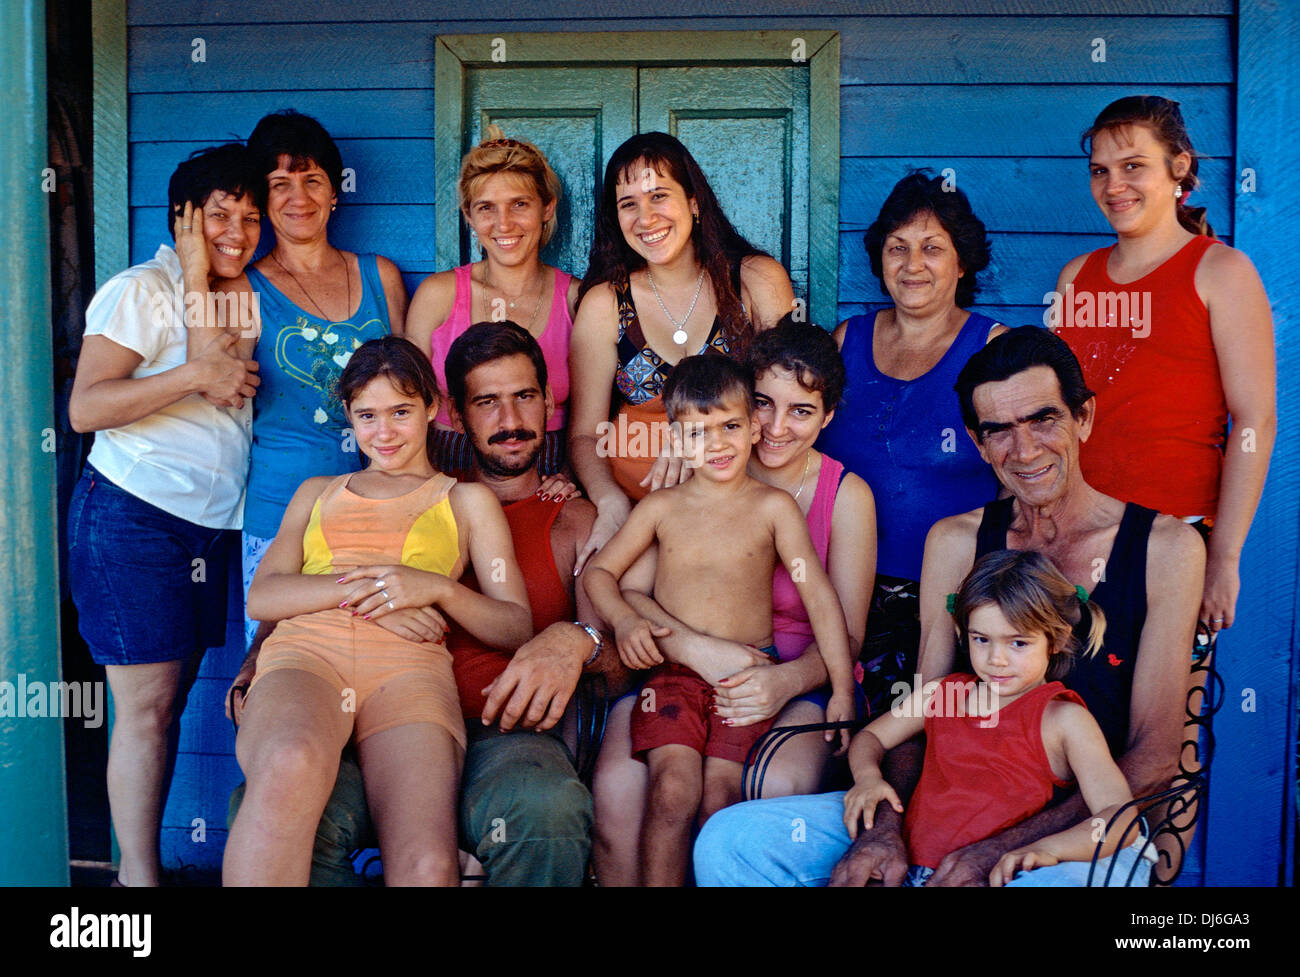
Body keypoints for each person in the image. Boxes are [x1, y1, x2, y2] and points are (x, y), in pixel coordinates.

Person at [694, 327, 1204, 887]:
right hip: (939, 809)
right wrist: (885, 831)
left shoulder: (1163, 548)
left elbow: (1155, 757)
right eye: (999, 431)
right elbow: (916, 723)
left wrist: (998, 850)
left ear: (1082, 418)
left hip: (1077, 835)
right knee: (731, 843)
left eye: (1044, 419)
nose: (1025, 449)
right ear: (976, 441)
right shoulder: (958, 541)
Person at [227, 322, 631, 886]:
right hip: (330, 688)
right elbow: (276, 598)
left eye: (524, 397)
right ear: (456, 415)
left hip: (474, 720)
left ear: (549, 403)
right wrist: (259, 664)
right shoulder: (360, 491)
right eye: (487, 402)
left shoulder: (563, 514)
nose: (510, 420)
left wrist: (575, 640)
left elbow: (615, 647)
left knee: (529, 816)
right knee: (285, 778)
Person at [590, 318, 876, 884]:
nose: (773, 427)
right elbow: (616, 581)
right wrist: (648, 630)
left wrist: (820, 685)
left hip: (773, 675)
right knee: (666, 789)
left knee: (724, 797)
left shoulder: (798, 505)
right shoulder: (679, 490)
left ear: (828, 417)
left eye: (801, 411)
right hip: (678, 673)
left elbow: (828, 605)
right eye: (764, 404)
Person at [67, 144, 265, 886]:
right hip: (133, 516)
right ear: (183, 217)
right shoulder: (137, 290)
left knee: (170, 699)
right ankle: (137, 884)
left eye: (250, 216)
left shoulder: (231, 294)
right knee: (146, 707)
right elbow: (87, 406)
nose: (238, 230)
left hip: (205, 527)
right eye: (219, 214)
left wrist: (198, 274)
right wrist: (189, 374)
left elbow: (225, 364)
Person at [1052, 95, 1275, 635]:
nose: (1113, 186)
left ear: (1178, 168)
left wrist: (1223, 558)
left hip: (1177, 531)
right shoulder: (1075, 277)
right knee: (1068, 706)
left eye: (1133, 166)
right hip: (1073, 531)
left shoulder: (1221, 271)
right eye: (1100, 171)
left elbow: (1255, 421)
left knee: (1168, 712)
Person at [816, 171, 1006, 715]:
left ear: (962, 261)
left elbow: (1023, 473)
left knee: (912, 756)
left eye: (932, 248)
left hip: (950, 603)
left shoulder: (993, 350)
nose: (912, 264)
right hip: (839, 596)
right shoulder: (846, 340)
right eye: (897, 248)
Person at [569, 131, 796, 573]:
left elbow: (786, 405)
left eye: (659, 196)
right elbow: (584, 434)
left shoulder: (754, 282)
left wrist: (699, 440)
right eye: (628, 204)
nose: (645, 217)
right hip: (639, 510)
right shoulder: (605, 303)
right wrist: (611, 502)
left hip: (742, 505)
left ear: (693, 202)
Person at [840, 549, 1137, 887]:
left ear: (1055, 640)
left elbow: (1119, 815)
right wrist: (867, 778)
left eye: (1018, 643)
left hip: (989, 876)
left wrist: (1049, 848)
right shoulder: (944, 694)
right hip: (904, 867)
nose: (996, 659)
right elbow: (872, 737)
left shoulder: (1063, 719)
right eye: (981, 639)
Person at [230, 109, 410, 650]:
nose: (298, 197)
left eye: (312, 180)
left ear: (335, 191)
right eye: (278, 184)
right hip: (282, 515)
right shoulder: (245, 289)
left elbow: (414, 396)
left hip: (384, 509)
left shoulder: (381, 275)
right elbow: (224, 388)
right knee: (279, 669)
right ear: (261, 200)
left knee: (383, 664)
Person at [405, 127, 579, 478]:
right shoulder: (438, 296)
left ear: (547, 208)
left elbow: (595, 417)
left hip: (548, 473)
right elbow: (407, 405)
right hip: (448, 466)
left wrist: (571, 476)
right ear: (469, 217)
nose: (504, 224)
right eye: (487, 208)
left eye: (519, 204)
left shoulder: (576, 299)